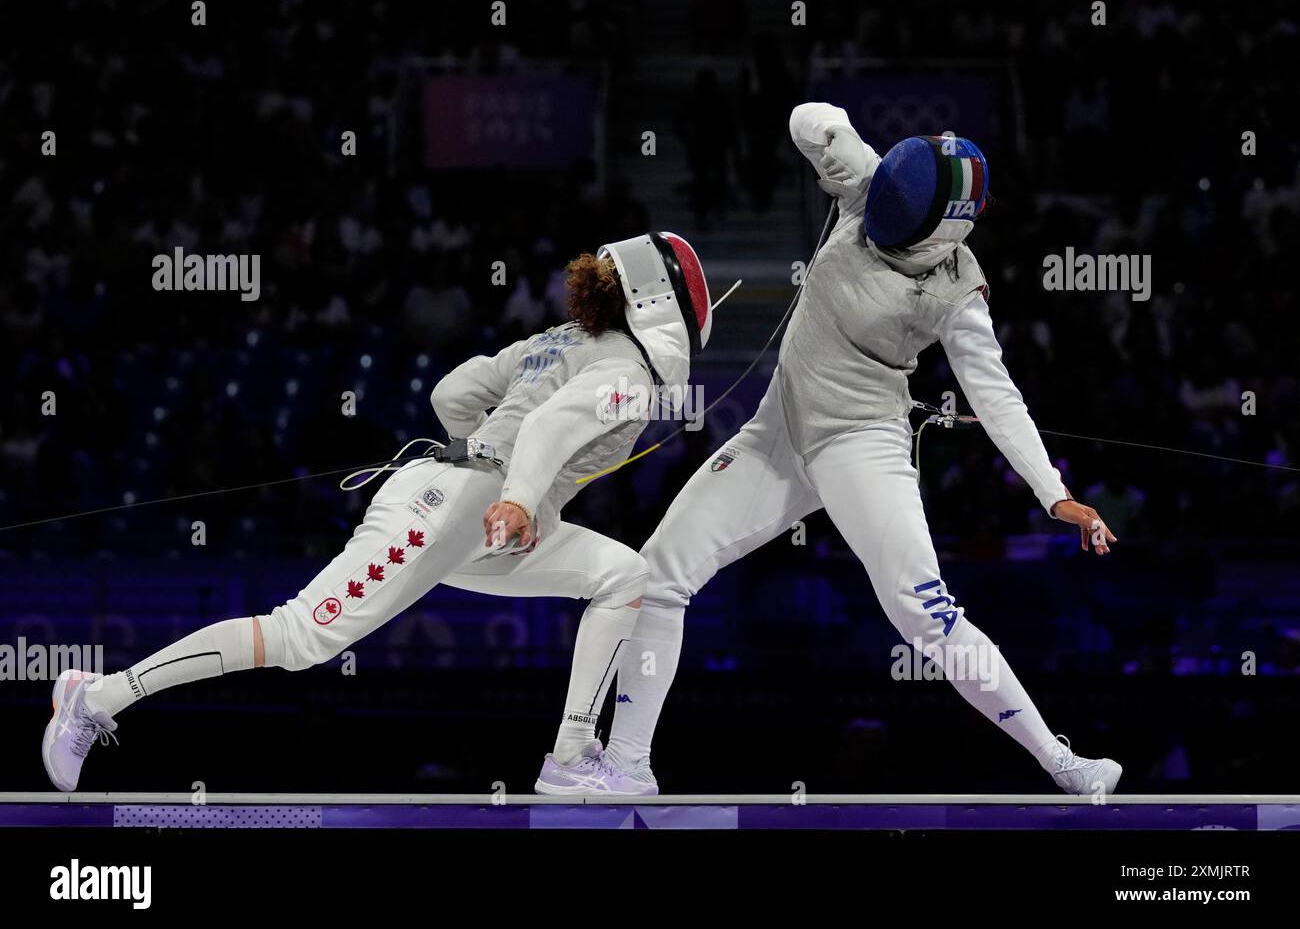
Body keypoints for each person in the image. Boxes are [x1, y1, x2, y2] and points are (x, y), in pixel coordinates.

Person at [42, 232, 716, 797]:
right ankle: (98, 695)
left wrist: (501, 475)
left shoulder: (557, 339)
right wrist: (515, 493)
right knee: (300, 639)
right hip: (455, 508)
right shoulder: (626, 368)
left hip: (472, 514)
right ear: (662, 302)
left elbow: (454, 392)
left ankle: (572, 756)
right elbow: (546, 428)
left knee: (624, 576)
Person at [588, 103, 1123, 797]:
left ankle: (1062, 763)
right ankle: (628, 766)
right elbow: (808, 118)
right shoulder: (868, 187)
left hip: (862, 445)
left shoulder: (957, 291)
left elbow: (996, 396)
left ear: (940, 232)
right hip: (776, 435)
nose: (879, 221)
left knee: (922, 612)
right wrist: (829, 136)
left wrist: (1054, 493)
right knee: (656, 573)